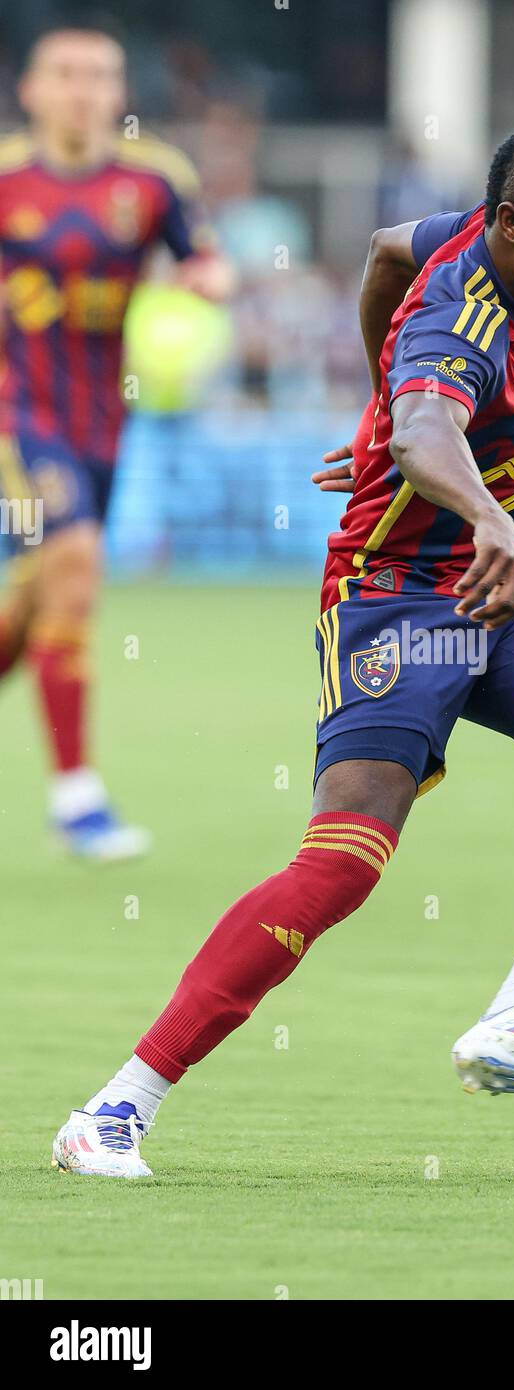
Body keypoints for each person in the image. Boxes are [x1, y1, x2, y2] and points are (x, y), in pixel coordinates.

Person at [52, 117, 514, 1178]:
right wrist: (456, 486)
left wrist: (387, 421)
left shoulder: (469, 238)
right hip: (394, 597)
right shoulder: (462, 318)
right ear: (510, 228)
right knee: (342, 865)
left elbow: (382, 248)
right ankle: (115, 1109)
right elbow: (424, 428)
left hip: (512, 585)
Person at [0, 24, 232, 858]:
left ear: (119, 92)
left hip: (105, 420)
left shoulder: (155, 180)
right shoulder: (5, 180)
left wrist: (208, 282)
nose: (82, 89)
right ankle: (77, 799)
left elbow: (205, 261)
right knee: (77, 563)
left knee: (41, 603)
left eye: (99, 75)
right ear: (30, 90)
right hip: (15, 414)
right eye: (64, 73)